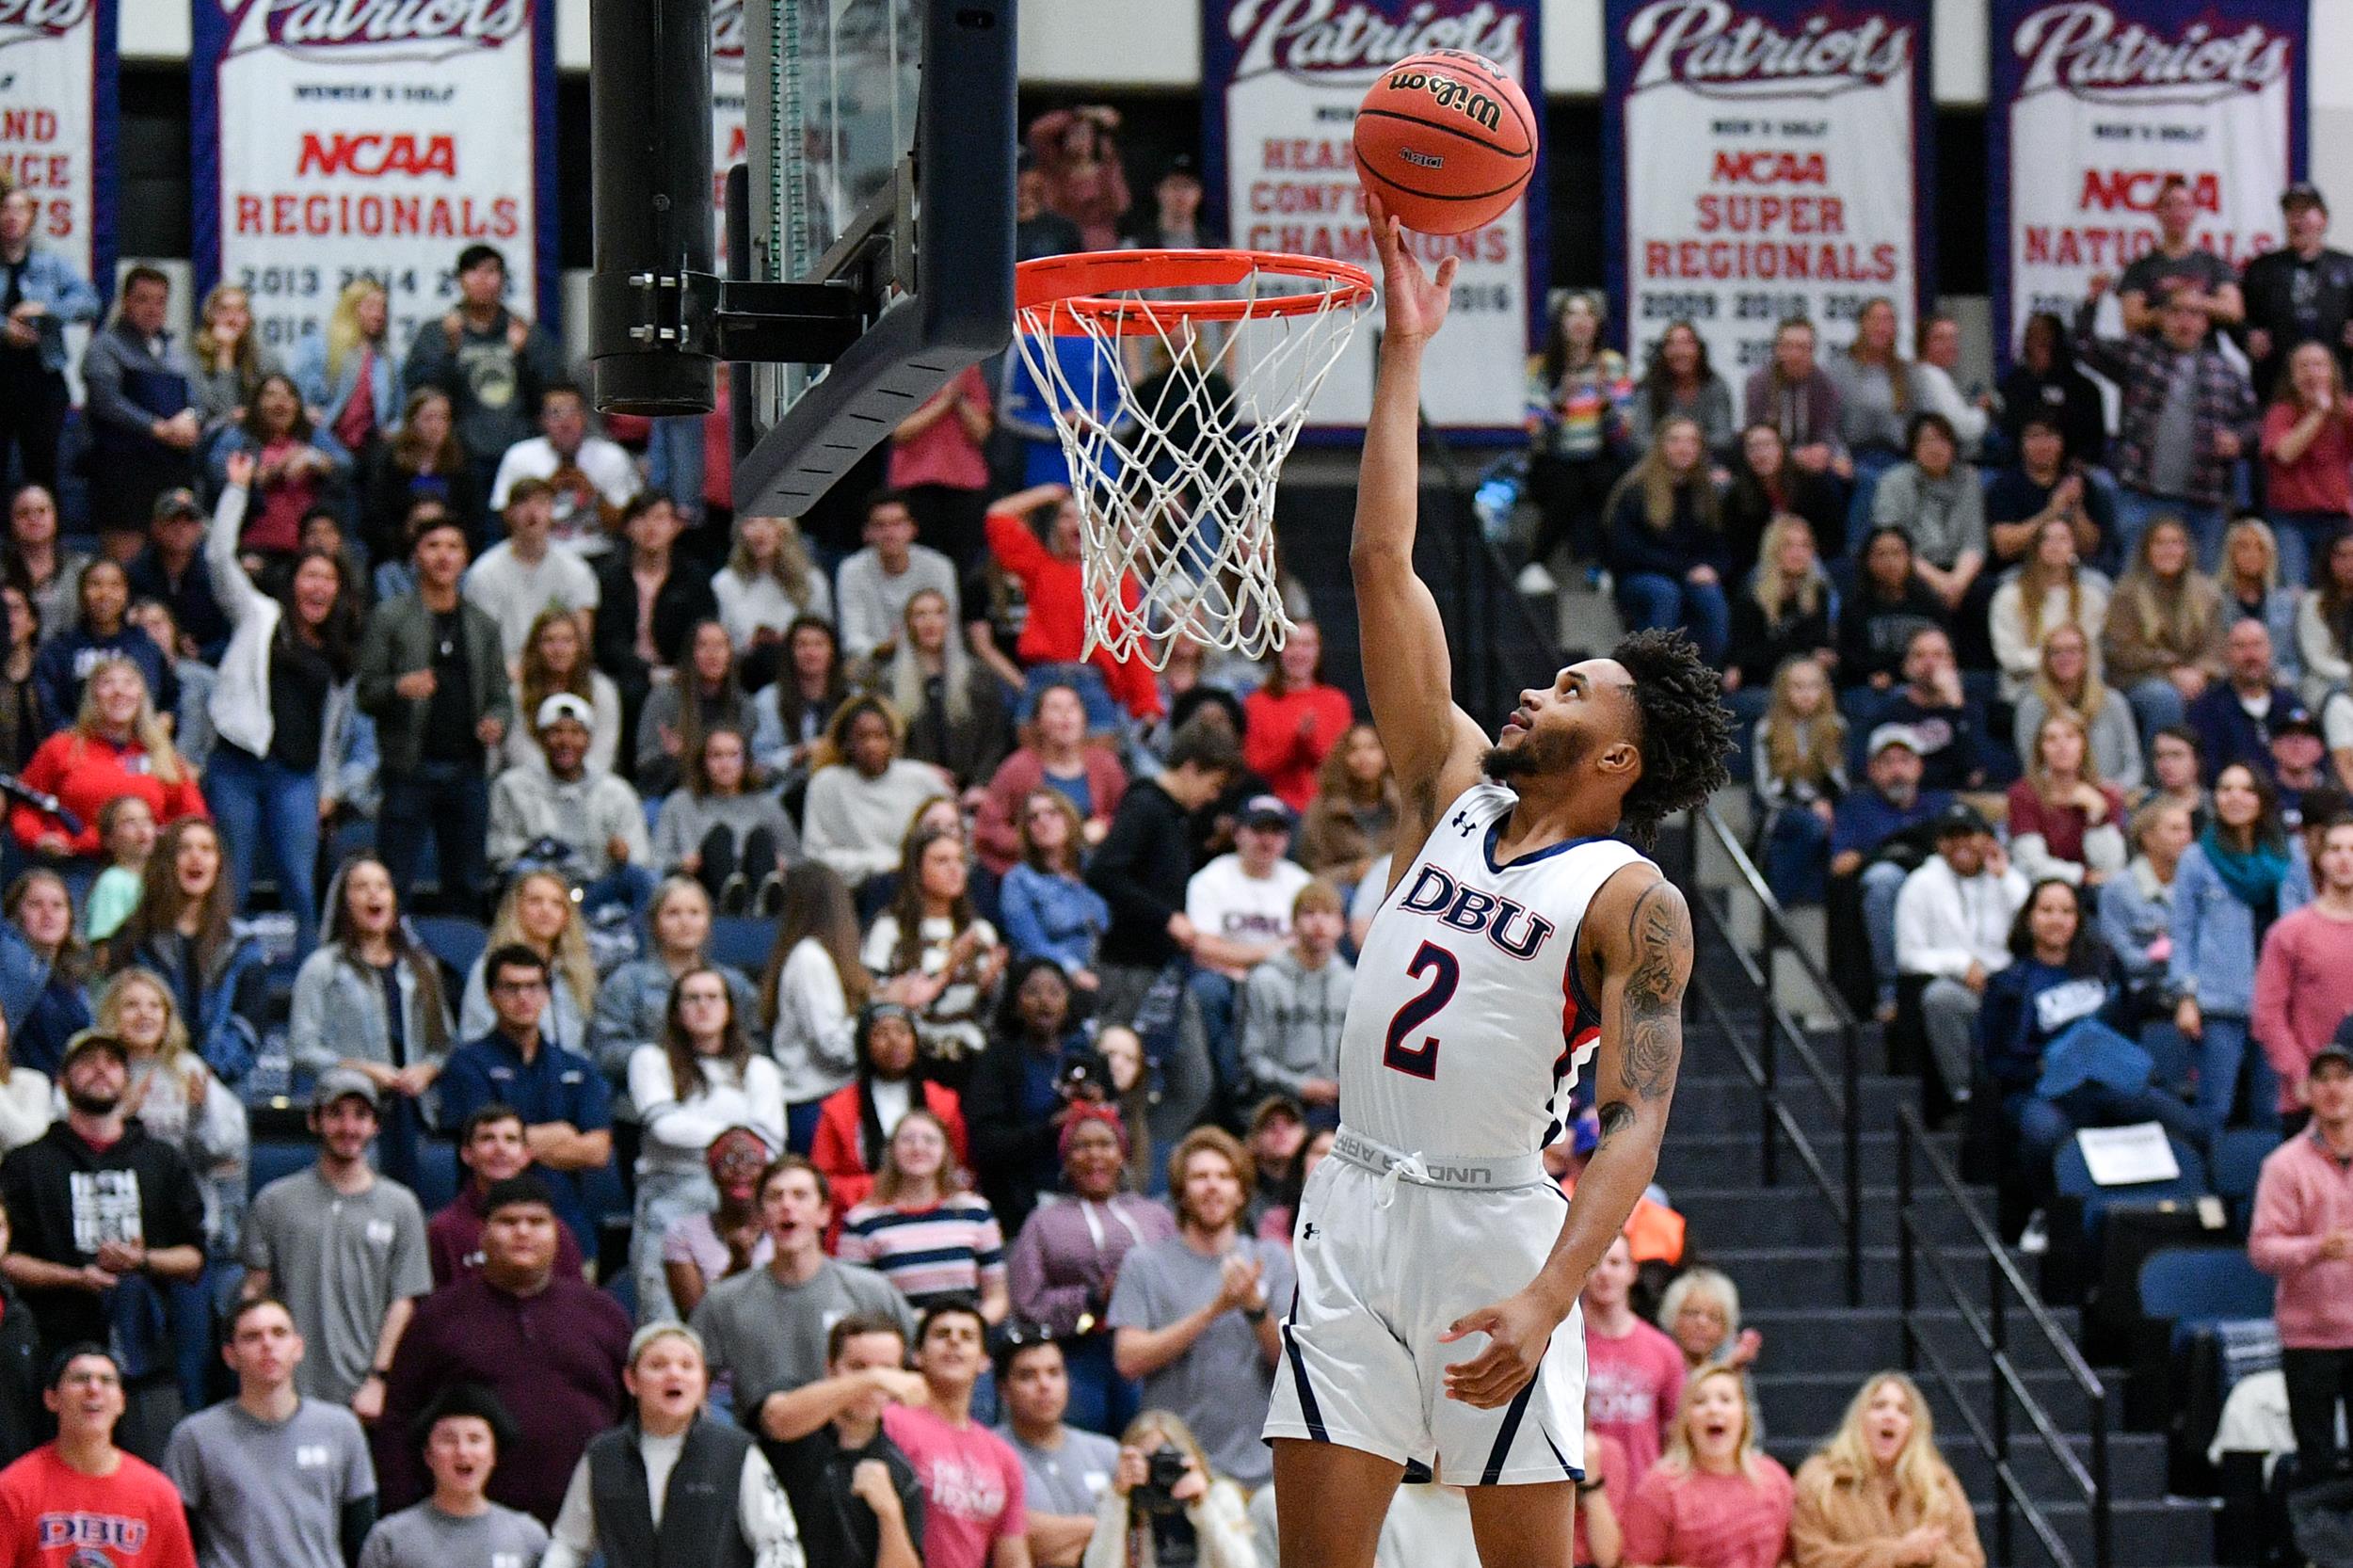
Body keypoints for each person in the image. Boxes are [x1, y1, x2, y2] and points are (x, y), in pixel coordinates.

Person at [1260, 210, 1728, 1568]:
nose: (1535, 688)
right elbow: (1379, 567)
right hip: (1352, 1204)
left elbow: (1633, 1123)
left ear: (1620, 758)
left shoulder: (1630, 897)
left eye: (1572, 689)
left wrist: (1546, 1296)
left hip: (1494, 1223)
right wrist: (1401, 350)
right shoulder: (1444, 783)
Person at [374, 1175, 632, 1524]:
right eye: (508, 1222)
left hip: (593, 1526)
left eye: (537, 1222)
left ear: (558, 1233)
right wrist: (406, 1522)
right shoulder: (439, 1318)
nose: (523, 1232)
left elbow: (639, 1416)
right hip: (469, 1531)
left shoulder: (603, 1314)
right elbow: (399, 1423)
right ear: (482, 1234)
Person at [0, 1032, 205, 1461]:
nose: (100, 1070)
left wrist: (143, 1260)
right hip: (50, 1357)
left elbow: (194, 1258)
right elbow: (6, 1259)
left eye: (112, 1063)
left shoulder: (162, 1161)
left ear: (128, 1083)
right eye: (86, 1062)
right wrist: (74, 1277)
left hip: (146, 1363)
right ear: (62, 1081)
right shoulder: (26, 1165)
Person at [204, 455, 361, 954]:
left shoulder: (340, 653)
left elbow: (336, 731)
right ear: (294, 581)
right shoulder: (258, 615)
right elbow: (217, 559)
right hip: (237, 766)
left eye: (328, 580)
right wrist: (235, 491)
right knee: (233, 882)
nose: (318, 587)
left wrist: (328, 787)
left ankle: (307, 982)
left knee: (300, 884)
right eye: (310, 576)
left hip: (297, 776)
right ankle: (224, 979)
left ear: (339, 591)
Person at [1980, 879, 2203, 1228]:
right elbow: (1994, 1061)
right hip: (2041, 1090)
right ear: (2029, 919)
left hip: (2106, 1082)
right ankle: (2048, 1217)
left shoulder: (2103, 968)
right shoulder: (2008, 983)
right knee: (2048, 1136)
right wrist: (2039, 1067)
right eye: (2047, 910)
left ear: (2079, 920)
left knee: (2187, 1125)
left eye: (2067, 911)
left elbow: (2127, 1032)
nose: (2057, 919)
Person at [1110, 1128, 1292, 1495]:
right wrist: (1214, 1310)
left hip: (1260, 1468)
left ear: (1241, 1192)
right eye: (1200, 1177)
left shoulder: (1271, 1259)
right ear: (1181, 1191)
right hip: (1176, 1461)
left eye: (1224, 1177)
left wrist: (1255, 1309)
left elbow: (1293, 1364)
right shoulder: (1144, 1263)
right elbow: (1128, 1360)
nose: (1213, 1187)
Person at [242, 1070, 430, 1414]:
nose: (349, 1127)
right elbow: (256, 1292)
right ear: (314, 1121)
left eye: (360, 1116)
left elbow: (403, 1301)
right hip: (289, 1392)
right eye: (336, 1114)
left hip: (367, 1397)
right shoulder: (274, 1201)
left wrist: (379, 1378)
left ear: (376, 1126)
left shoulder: (401, 1206)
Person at [540, 1323, 802, 1568]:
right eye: (657, 1365)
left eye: (687, 1366)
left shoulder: (736, 1452)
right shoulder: (603, 1456)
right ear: (631, 1380)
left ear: (703, 1383)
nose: (674, 1374)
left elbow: (779, 1542)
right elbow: (569, 1545)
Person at [696, 1155, 915, 1442]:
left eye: (800, 1195)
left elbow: (917, 1373)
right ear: (761, 1216)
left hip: (855, 1450)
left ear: (824, 1213)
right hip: (763, 1455)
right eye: (775, 1197)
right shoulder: (723, 1301)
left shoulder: (872, 1291)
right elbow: (693, 1382)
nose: (787, 1205)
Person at [357, 510, 511, 911]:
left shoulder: (482, 625)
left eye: (454, 547)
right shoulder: (390, 617)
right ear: (416, 557)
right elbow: (365, 692)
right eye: (433, 546)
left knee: (467, 886)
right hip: (409, 769)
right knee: (394, 885)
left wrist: (498, 721)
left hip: (468, 771)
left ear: (466, 558)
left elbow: (501, 696)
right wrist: (398, 687)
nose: (444, 556)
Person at [163, 1296, 378, 1568]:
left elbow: (360, 1535)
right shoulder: (195, 1437)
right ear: (230, 1355)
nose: (268, 1344)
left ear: (298, 1347)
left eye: (279, 1333)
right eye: (252, 1337)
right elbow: (177, 1542)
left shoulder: (341, 1428)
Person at [627, 966, 786, 1324]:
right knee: (662, 1317)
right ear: (675, 1011)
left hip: (743, 1200)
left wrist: (728, 1145)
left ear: (730, 1008)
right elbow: (664, 1127)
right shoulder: (651, 1060)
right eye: (692, 998)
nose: (703, 1006)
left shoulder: (759, 1069)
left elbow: (771, 1143)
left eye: (713, 997)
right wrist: (739, 1137)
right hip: (670, 1195)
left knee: (749, 1316)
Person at [1005, 1107, 1173, 1436]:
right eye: (1081, 1146)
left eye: (1105, 1144)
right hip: (1077, 1352)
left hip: (1150, 1352)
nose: (1094, 1154)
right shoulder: (1044, 1221)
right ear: (1065, 1160)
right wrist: (1091, 1299)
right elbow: (1027, 1302)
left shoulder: (1154, 1214)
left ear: (1122, 1153)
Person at [440, 943, 615, 1251]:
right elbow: (487, 1147)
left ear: (547, 995)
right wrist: (564, 1134)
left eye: (533, 987)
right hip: (488, 1232)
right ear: (492, 996)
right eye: (511, 988)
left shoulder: (577, 1067)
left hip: (569, 1230)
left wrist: (517, 1140)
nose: (523, 997)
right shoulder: (467, 1063)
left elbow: (598, 1152)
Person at [2075, 276, 2259, 568]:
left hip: (2205, 502)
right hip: (2141, 495)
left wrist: (2240, 440)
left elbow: (2254, 423)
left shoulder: (2227, 371)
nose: (2185, 321)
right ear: (2161, 318)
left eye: (2195, 313)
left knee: (2201, 592)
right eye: (2176, 312)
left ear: (2206, 323)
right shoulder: (2139, 357)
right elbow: (2084, 346)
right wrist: (2092, 303)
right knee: (2136, 584)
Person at [290, 856, 452, 1188]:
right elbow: (303, 1049)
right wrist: (363, 1070)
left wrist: (428, 1070)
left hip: (414, 1112)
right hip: (351, 1110)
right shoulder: (322, 968)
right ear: (344, 901)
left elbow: (445, 1043)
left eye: (382, 886)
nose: (373, 895)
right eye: (362, 887)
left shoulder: (421, 967)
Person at [2249, 1044, 2353, 1481]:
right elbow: (2262, 1250)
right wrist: (2316, 1249)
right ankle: (2323, 1551)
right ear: (2306, 1090)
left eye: (2343, 1077)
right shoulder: (2284, 1166)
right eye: (2323, 1079)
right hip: (2310, 1339)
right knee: (2318, 1468)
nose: (2333, 1089)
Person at [2170, 762, 2293, 1132]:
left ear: (2262, 798)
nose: (2235, 797)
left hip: (2277, 1000)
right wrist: (2185, 996)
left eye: (2246, 789)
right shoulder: (2197, 858)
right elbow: (2183, 931)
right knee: (2215, 1108)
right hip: (2219, 999)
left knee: (2271, 1111)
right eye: (2225, 789)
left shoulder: (2287, 857)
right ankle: (2210, 1188)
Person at [9, 658, 205, 885]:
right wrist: (38, 838)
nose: (119, 691)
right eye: (108, 683)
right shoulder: (61, 748)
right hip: (75, 866)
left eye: (129, 683)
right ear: (92, 696)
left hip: (148, 868)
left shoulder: (162, 754)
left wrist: (168, 838)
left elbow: (193, 816)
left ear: (142, 696)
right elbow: (24, 805)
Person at [982, 484, 1163, 727]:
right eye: (1066, 516)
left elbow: (1133, 644)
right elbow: (998, 516)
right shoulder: (1040, 568)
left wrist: (1146, 703)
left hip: (1093, 684)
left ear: (1099, 527)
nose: (1076, 523)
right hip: (1042, 681)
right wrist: (1048, 493)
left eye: (1086, 516)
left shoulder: (1119, 584)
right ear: (1056, 527)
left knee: (1100, 764)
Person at [0, 1346, 195, 1568]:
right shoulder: (13, 1489)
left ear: (121, 1402)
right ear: (51, 1399)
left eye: (107, 1380)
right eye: (80, 1379)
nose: (94, 1389)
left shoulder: (159, 1495)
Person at [106, 818, 266, 1087]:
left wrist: (210, 1073)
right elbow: (115, 1012)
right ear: (167, 862)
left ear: (218, 864)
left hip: (221, 1083)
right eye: (184, 849)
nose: (196, 858)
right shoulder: (134, 939)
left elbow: (249, 1022)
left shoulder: (242, 944)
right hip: (146, 1078)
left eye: (206, 849)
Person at [1896, 805, 2030, 1104]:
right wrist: (1960, 965)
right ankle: (1965, 1093)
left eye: (1969, 835)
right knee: (1940, 998)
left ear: (1987, 839)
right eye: (1951, 837)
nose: (1961, 844)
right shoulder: (1921, 884)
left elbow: (2033, 927)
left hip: (2008, 981)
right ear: (1939, 844)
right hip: (1960, 985)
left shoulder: (2008, 879)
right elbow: (1908, 955)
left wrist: (2004, 877)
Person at [400, 245, 564, 488]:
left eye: (490, 271)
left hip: (517, 452)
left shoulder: (525, 332)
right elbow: (421, 394)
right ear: (460, 280)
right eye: (473, 272)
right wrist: (450, 353)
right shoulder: (438, 332)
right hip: (459, 455)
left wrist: (522, 358)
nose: (482, 280)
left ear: (503, 280)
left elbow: (552, 395)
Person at [1788, 1371, 1982, 1568]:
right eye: (1879, 1406)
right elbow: (1811, 1558)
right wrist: (1894, 1554)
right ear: (1859, 1418)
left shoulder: (1938, 1482)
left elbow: (1972, 1562)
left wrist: (1931, 1554)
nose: (1890, 1416)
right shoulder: (1821, 1478)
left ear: (1915, 1427)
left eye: (1903, 1410)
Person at [1183, 795, 1312, 1090]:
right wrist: (1268, 952)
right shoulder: (1211, 879)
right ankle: (1219, 1088)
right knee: (1207, 990)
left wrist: (1243, 959)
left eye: (1276, 832)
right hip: (1226, 981)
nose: (1267, 840)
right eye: (1258, 830)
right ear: (1238, 833)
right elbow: (1203, 948)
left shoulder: (1300, 883)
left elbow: (1306, 947)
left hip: (1285, 981)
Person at [485, 695, 654, 919]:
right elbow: (503, 855)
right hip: (540, 891)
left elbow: (640, 859)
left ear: (589, 740)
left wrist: (623, 856)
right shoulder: (512, 787)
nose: (566, 742)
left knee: (638, 879)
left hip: (595, 891)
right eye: (556, 732)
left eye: (576, 733)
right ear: (541, 738)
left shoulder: (616, 791)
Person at [838, 1109, 1009, 1320]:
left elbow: (997, 1297)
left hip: (967, 1344)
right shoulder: (862, 1221)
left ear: (946, 1151)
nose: (918, 1148)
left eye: (930, 1140)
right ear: (891, 1151)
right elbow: (853, 1302)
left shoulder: (976, 1213)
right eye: (908, 1140)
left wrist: (968, 1331)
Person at [356, 1384, 549, 1568]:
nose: (462, 1451)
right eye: (448, 1439)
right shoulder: (390, 1539)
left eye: (475, 1439)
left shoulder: (529, 1538)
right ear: (428, 1455)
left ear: (493, 1454)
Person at [809, 1002, 971, 1220]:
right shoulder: (837, 1109)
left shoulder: (944, 1102)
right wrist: (884, 1187)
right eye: (881, 1033)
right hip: (863, 1215)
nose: (894, 1041)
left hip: (935, 1214)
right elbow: (821, 1181)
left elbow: (960, 1169)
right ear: (864, 1045)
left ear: (916, 1041)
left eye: (902, 1032)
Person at [1619, 1367, 1792, 1568]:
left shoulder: (1774, 1478)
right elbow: (1636, 1563)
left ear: (1744, 1415)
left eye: (1726, 1400)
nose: (1714, 1409)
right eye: (1700, 1401)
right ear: (1686, 1419)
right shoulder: (1659, 1486)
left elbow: (1790, 1559)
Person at [591, 491, 717, 767]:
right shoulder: (610, 577)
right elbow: (608, 642)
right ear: (627, 526)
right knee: (631, 692)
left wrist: (679, 671)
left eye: (660, 518)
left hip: (682, 672)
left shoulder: (693, 578)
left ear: (676, 525)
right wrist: (648, 672)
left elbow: (702, 633)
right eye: (642, 518)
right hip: (628, 674)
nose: (651, 527)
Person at [80, 267, 200, 552]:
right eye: (143, 299)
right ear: (125, 301)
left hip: (171, 471)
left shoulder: (175, 352)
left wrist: (192, 419)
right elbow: (106, 402)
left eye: (160, 301)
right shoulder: (105, 347)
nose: (152, 308)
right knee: (126, 563)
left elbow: (199, 402)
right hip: (123, 474)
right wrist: (157, 428)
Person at [760, 862, 873, 1153]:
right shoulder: (810, 958)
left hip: (827, 1100)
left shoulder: (817, 956)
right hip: (815, 1104)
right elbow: (834, 1046)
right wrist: (876, 1016)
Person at [1603, 415, 1731, 665]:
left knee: (1711, 597)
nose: (1684, 448)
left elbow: (1720, 545)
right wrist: (1683, 569)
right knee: (1664, 593)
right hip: (1641, 575)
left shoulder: (1706, 493)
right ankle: (1651, 672)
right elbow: (1626, 551)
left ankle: (1709, 677)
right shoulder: (1635, 490)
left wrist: (1713, 569)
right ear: (1660, 445)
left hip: (1687, 575)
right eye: (1675, 440)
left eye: (1692, 441)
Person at [1522, 291, 1632, 574]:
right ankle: (1536, 564)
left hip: (1600, 452)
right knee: (1566, 488)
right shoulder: (1541, 367)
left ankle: (1607, 568)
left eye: (1588, 313)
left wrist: (1605, 402)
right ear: (1560, 323)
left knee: (1610, 483)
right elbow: (1535, 433)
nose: (1581, 320)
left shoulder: (1612, 364)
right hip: (1556, 457)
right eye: (1572, 313)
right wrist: (1559, 404)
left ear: (1597, 323)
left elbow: (1623, 431)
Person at [0, 183, 97, 497]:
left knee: (42, 470)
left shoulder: (51, 265)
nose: (11, 217)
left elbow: (89, 302)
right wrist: (5, 329)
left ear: (31, 218)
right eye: (4, 209)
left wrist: (47, 308)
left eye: (19, 209)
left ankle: (45, 543)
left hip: (42, 383)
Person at [2253, 817, 2353, 1121]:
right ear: (2319, 858)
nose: (2345, 858)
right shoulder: (2290, 932)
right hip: (2307, 1097)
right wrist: (2300, 1074)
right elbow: (2267, 1014)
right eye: (2335, 849)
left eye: (2352, 849)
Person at [975, 684, 1128, 878]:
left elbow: (1128, 818)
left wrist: (1104, 826)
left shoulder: (1105, 764)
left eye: (1072, 707)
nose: (1065, 715)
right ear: (1038, 722)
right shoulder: (1017, 768)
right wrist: (1035, 840)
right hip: (1036, 879)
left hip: (1096, 872)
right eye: (1055, 708)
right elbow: (988, 829)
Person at [424, 1104, 587, 1286]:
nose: (500, 1148)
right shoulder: (443, 1230)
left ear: (526, 1155)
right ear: (467, 1154)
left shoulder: (553, 1231)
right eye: (488, 1139)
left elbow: (575, 1302)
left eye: (511, 1139)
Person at [989, 1336, 1115, 1568]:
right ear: (1003, 1390)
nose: (1044, 1385)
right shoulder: (987, 1451)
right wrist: (1103, 1528)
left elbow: (1133, 1537)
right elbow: (1004, 1535)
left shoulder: (1107, 1452)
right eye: (1028, 1376)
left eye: (1054, 1373)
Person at [803, 698, 952, 890]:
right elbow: (815, 854)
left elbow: (952, 834)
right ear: (846, 743)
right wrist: (880, 864)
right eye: (862, 737)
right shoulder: (826, 783)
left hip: (917, 886)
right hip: (852, 890)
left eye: (879, 736)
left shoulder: (922, 779)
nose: (871, 745)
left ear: (892, 740)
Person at [2104, 516, 2226, 748]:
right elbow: (2122, 652)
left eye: (2175, 543)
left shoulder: (2207, 593)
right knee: (2164, 697)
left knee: (2222, 695)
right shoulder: (2126, 593)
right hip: (2140, 679)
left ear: (2186, 549)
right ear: (2146, 550)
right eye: (2160, 543)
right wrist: (2172, 670)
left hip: (2196, 678)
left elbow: (2217, 645)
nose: (2168, 550)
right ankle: (2160, 774)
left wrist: (2200, 671)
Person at [1577, 1234, 1686, 1496]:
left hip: (1644, 1493)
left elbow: (1679, 1431)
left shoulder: (1663, 1350)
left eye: (1615, 1263)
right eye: (1595, 1263)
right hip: (1583, 1495)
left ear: (1632, 1271)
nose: (1604, 1273)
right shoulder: (1563, 1346)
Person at [1238, 880, 1352, 1127]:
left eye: (1328, 913)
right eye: (1309, 913)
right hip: (1276, 1099)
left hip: (1338, 1102)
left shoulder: (1353, 984)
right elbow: (1252, 1057)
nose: (1319, 922)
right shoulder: (1265, 980)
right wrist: (1301, 1086)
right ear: (1293, 923)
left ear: (1342, 925)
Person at [1082, 1408, 1258, 1568]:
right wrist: (1118, 1499)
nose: (1160, 1470)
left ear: (1189, 1456)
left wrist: (1203, 1506)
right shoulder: (1123, 1499)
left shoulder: (1218, 1494)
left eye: (1168, 1460)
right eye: (1150, 1461)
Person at [488, 382, 640, 558]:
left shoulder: (611, 457)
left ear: (584, 417)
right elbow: (504, 521)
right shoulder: (520, 456)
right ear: (541, 420)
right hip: (539, 553)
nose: (565, 422)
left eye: (572, 412)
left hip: (598, 553)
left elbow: (626, 525)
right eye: (555, 413)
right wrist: (544, 493)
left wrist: (593, 495)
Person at [881, 589, 1013, 791]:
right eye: (920, 614)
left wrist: (981, 784)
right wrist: (922, 771)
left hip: (975, 791)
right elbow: (889, 743)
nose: (930, 622)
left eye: (939, 613)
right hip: (914, 787)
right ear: (908, 624)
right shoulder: (889, 684)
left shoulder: (979, 677)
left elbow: (995, 741)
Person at [456, 871, 600, 1054]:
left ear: (567, 915)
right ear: (516, 909)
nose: (546, 910)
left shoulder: (577, 972)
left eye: (557, 903)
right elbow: (472, 1036)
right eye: (535, 901)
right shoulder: (488, 967)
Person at [209, 375, 347, 565]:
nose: (281, 403)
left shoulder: (313, 435)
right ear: (256, 403)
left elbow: (347, 465)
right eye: (271, 395)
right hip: (253, 546)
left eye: (289, 396)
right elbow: (218, 477)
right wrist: (276, 469)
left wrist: (314, 458)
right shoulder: (238, 436)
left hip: (308, 549)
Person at [32, 555, 177, 732]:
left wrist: (164, 721)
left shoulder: (145, 647)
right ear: (81, 593)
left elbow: (170, 701)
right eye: (95, 584)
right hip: (76, 749)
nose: (105, 593)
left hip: (137, 748)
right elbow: (50, 711)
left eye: (115, 585)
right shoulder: (59, 650)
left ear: (127, 592)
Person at [464, 481, 600, 668]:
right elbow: (480, 644)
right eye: (523, 503)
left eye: (542, 503)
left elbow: (582, 641)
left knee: (603, 690)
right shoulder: (484, 573)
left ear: (553, 512)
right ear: (508, 513)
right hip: (504, 672)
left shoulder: (577, 571)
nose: (532, 512)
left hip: (561, 671)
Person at [2240, 183, 2353, 400]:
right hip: (2276, 384)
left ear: (2323, 219)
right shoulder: (2262, 268)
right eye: (2291, 212)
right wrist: (2247, 336)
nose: (2297, 219)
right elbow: (2241, 318)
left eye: (2305, 212)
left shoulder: (2347, 267)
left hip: (2338, 384)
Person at [1871, 413, 1987, 619]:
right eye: (1926, 441)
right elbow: (1891, 545)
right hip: (1912, 569)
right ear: (1913, 446)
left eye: (1942, 440)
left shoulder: (1969, 480)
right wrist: (1941, 583)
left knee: (1985, 594)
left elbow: (1974, 542)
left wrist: (1957, 583)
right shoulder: (1893, 482)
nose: (1935, 448)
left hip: (1959, 570)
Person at [1752, 657, 1845, 904]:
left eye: (1814, 686)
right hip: (1781, 813)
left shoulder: (1836, 727)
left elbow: (1842, 784)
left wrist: (1824, 796)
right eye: (1798, 687)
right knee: (1810, 826)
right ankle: (1776, 905)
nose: (1806, 694)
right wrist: (1810, 803)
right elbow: (1767, 792)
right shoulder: (1767, 729)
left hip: (1827, 811)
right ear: (1784, 691)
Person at [1989, 519, 2112, 707]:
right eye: (2048, 539)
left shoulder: (2092, 598)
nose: (2055, 545)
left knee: (2114, 702)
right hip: (2026, 689)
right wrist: (2061, 661)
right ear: (2036, 547)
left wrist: (2059, 661)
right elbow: (2011, 659)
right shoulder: (2009, 597)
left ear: (2074, 546)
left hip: (2081, 692)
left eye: (2063, 539)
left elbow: (2092, 656)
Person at [2263, 342, 2353, 586]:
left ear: (2333, 372)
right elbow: (2285, 453)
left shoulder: (2347, 411)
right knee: (2295, 594)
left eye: (2319, 365)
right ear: (2292, 377)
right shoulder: (2281, 412)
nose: (2312, 373)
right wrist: (2318, 414)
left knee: (2339, 592)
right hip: (2291, 521)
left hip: (2337, 519)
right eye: (2303, 367)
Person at [636, 619, 760, 799]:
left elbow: (748, 766)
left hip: (728, 796)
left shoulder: (744, 706)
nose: (712, 654)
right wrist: (670, 757)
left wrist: (690, 754)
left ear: (730, 654)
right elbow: (644, 762)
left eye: (719, 646)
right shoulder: (665, 698)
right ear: (690, 654)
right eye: (703, 646)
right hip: (669, 794)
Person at [662, 1127, 774, 1322]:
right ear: (712, 1171)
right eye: (728, 1161)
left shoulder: (784, 1225)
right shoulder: (683, 1233)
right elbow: (696, 1319)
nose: (740, 1169)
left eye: (751, 1160)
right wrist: (736, 1267)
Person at [998, 792, 1110, 986]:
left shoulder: (1095, 866)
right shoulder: (1017, 881)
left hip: (1108, 969)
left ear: (1069, 817)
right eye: (1033, 818)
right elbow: (1031, 944)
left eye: (1052, 813)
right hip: (1055, 979)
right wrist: (1074, 972)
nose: (1043, 821)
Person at [2007, 711, 2127, 888]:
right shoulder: (2024, 795)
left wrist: (2096, 816)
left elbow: (2112, 868)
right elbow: (2031, 864)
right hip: (2043, 889)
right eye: (2051, 739)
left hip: (2096, 893)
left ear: (2083, 745)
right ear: (2040, 749)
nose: (2061, 746)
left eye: (2070, 737)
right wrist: (2082, 876)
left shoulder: (2105, 795)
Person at [840, 491, 961, 666]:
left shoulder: (939, 567)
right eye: (880, 525)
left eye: (897, 523)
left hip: (930, 662)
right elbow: (852, 639)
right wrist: (886, 647)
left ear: (913, 528)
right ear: (867, 533)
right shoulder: (852, 570)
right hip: (876, 665)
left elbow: (950, 631)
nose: (889, 533)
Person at [1242, 623, 1354, 813]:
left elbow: (1341, 765)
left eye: (1307, 645)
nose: (1298, 653)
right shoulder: (1257, 702)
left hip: (1327, 809)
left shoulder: (1336, 701)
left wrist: (1307, 744)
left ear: (1318, 651)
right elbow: (1254, 764)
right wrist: (1296, 744)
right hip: (1272, 809)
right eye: (1291, 644)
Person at [1984, 412, 2108, 580]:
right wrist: (2052, 511)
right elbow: (2004, 547)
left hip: (2070, 568)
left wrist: (2076, 507)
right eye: (2034, 436)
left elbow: (2090, 548)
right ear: (2022, 442)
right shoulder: (2004, 486)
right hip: (2020, 570)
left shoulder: (2078, 482)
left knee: (2100, 583)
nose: (2043, 445)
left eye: (2051, 436)